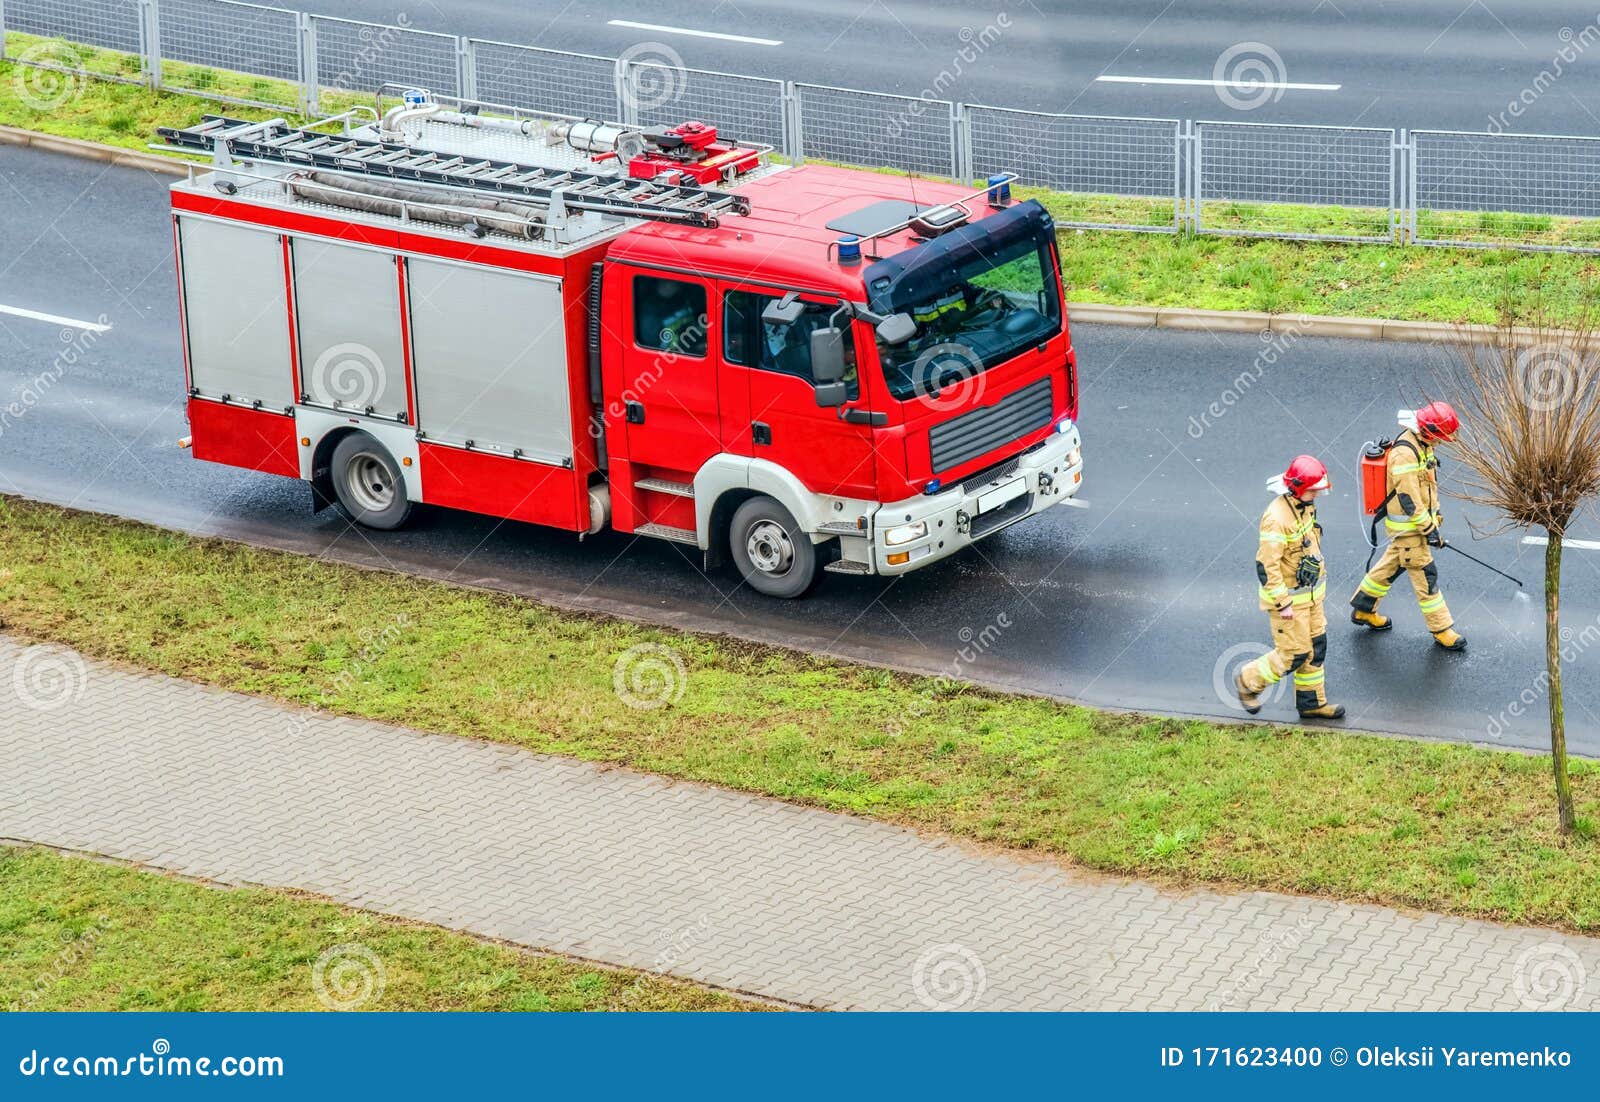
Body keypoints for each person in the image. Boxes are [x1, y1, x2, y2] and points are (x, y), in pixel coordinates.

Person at [1350, 402, 1467, 651]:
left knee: (1389, 566)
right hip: (1410, 530)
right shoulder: (1405, 453)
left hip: (1414, 527)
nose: (1441, 442)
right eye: (1440, 438)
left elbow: (1426, 486)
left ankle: (1363, 608)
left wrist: (1436, 516)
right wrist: (1429, 529)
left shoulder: (1422, 443)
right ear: (1430, 430)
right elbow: (1409, 498)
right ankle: (1441, 629)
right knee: (1426, 577)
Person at [1236, 455, 1345, 720]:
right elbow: (1266, 565)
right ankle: (1248, 682)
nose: (1316, 496)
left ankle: (1311, 704)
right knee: (1293, 655)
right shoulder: (1276, 518)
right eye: (1313, 491)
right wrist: (1282, 603)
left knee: (1316, 648)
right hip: (1290, 603)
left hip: (1311, 596)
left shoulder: (1303, 504)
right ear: (1297, 487)